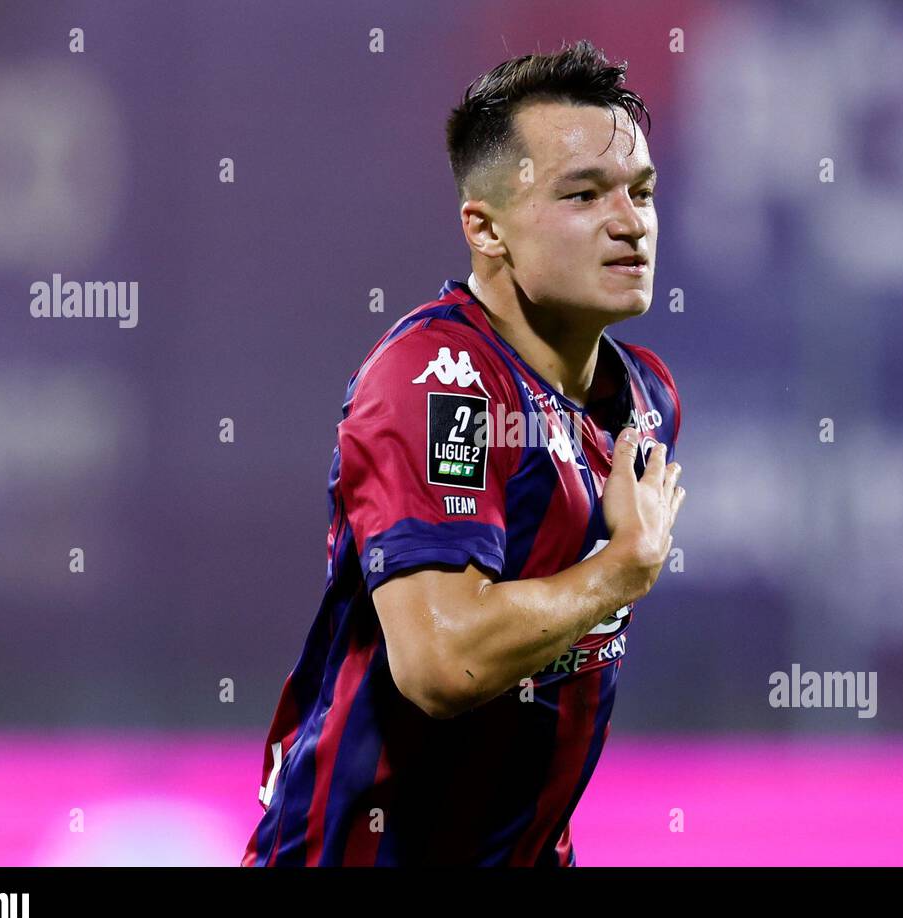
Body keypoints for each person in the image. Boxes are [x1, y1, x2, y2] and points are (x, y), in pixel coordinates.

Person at [243, 38, 685, 867]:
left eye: (643, 192)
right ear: (485, 229)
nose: (630, 223)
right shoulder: (442, 381)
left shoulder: (646, 398)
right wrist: (620, 571)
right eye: (584, 194)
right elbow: (441, 663)